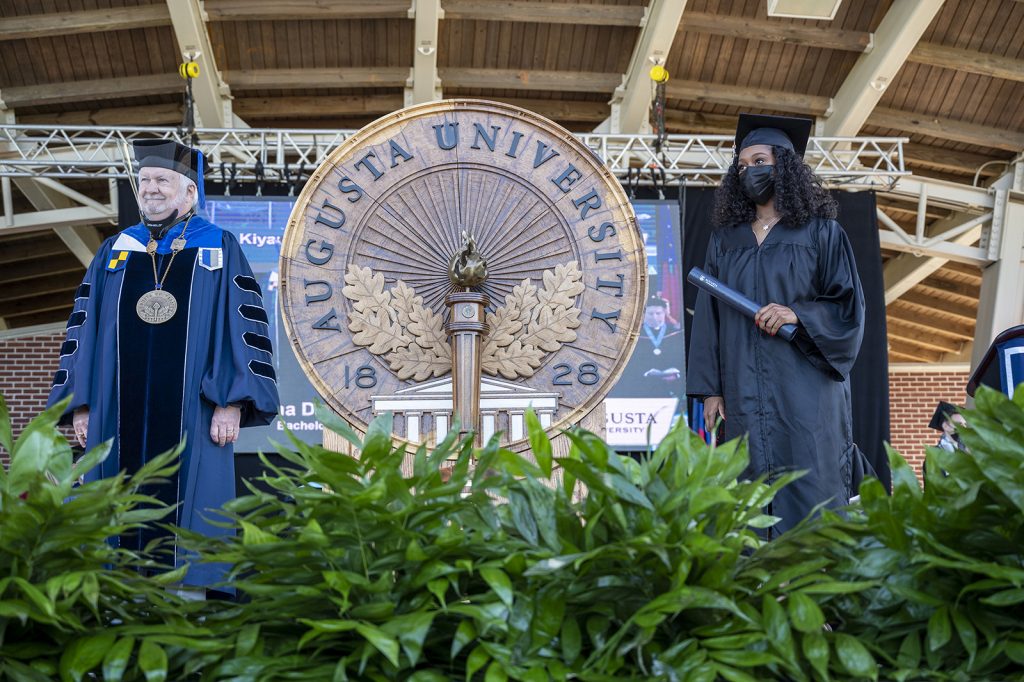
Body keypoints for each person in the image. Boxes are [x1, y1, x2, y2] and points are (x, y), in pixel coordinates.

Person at [47, 140, 279, 588]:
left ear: (189, 193)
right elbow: (85, 328)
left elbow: (243, 326)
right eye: (144, 181)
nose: (150, 189)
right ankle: (114, 600)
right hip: (115, 410)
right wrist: (82, 403)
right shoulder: (115, 250)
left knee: (193, 518)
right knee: (112, 513)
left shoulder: (219, 246)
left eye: (161, 181)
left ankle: (188, 602)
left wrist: (231, 402)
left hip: (194, 410)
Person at [687, 113, 865, 535]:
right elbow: (709, 317)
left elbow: (848, 306)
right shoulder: (725, 241)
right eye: (743, 165)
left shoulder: (822, 233)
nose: (751, 171)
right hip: (742, 385)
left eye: (761, 160)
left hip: (805, 384)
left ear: (784, 165)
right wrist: (711, 389)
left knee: (810, 475)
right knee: (748, 483)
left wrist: (797, 313)